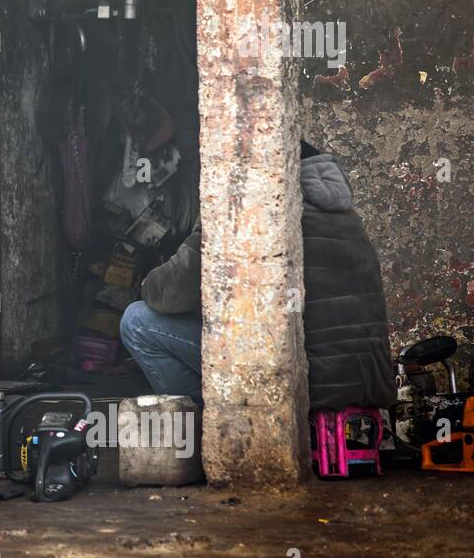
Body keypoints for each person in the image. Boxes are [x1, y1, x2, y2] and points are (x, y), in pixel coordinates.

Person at [119, 140, 395, 412]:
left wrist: (147, 285)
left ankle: (205, 429)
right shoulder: (347, 218)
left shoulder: (242, 211)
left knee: (137, 321)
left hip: (302, 378)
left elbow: (170, 294)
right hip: (367, 379)